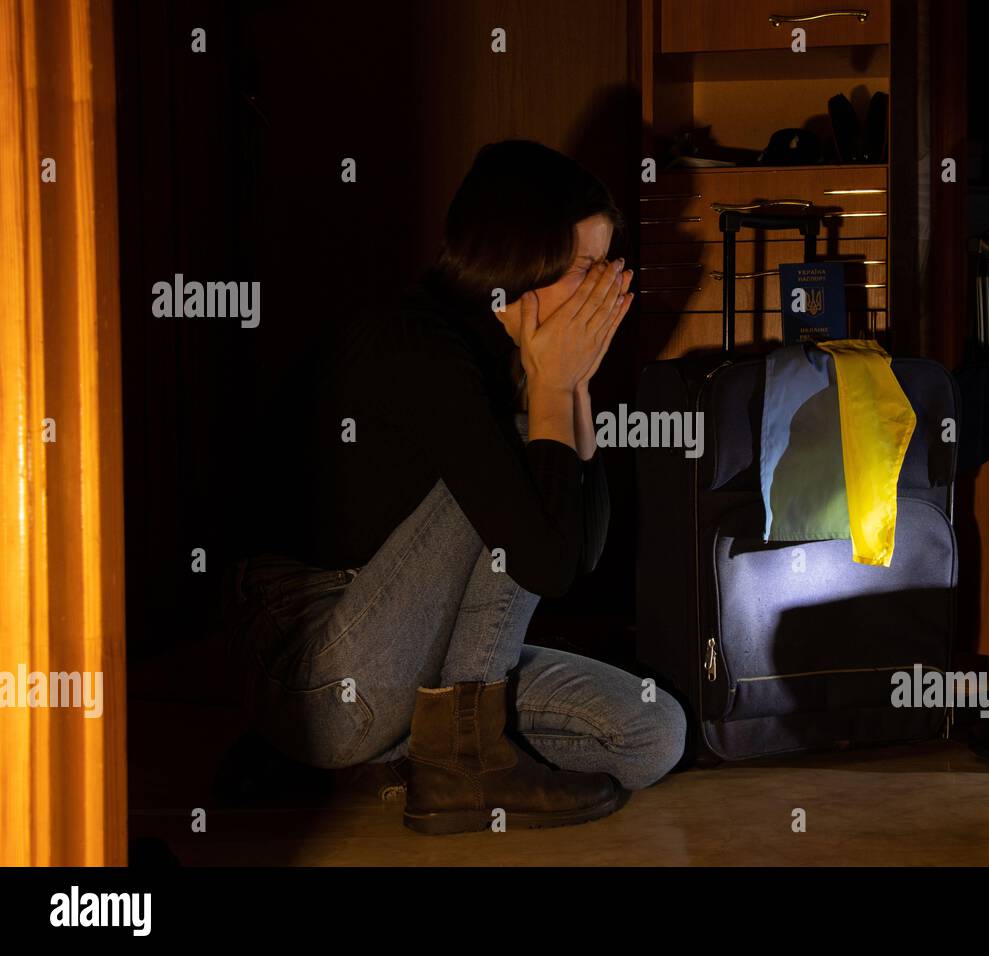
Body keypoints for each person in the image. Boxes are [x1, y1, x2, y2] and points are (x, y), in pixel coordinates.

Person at [224, 140, 686, 835]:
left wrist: (576, 379)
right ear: (521, 261)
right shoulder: (413, 345)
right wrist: (555, 388)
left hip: (419, 661)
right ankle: (448, 765)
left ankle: (412, 750)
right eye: (587, 268)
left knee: (652, 732)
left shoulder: (513, 362)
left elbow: (579, 555)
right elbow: (544, 558)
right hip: (320, 667)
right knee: (520, 464)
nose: (603, 290)